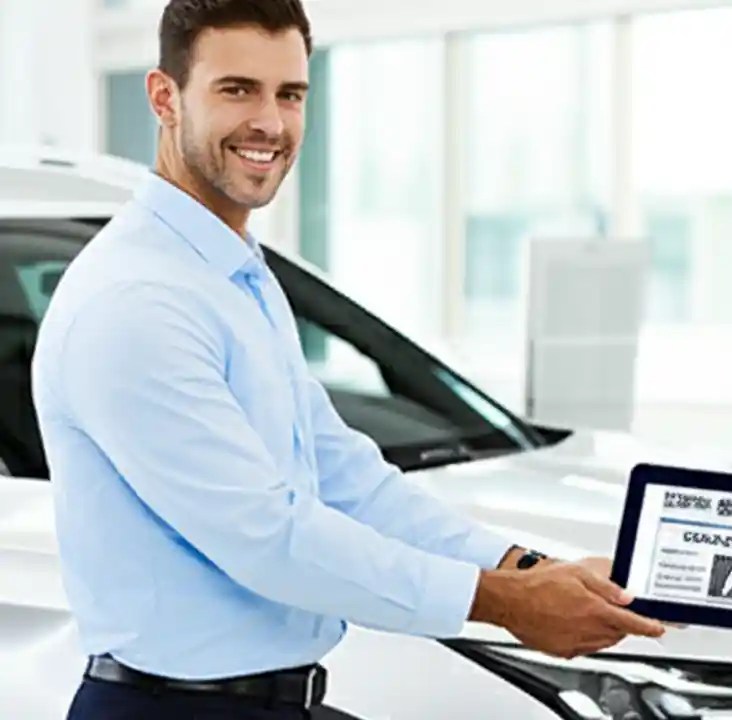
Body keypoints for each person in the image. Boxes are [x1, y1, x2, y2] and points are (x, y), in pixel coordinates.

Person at [31, 1, 662, 718]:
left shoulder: (230, 273)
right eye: (237, 89)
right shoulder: (136, 301)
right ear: (164, 98)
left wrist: (528, 568)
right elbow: (268, 538)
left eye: (290, 93)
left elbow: (348, 479)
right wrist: (508, 604)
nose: (269, 122)